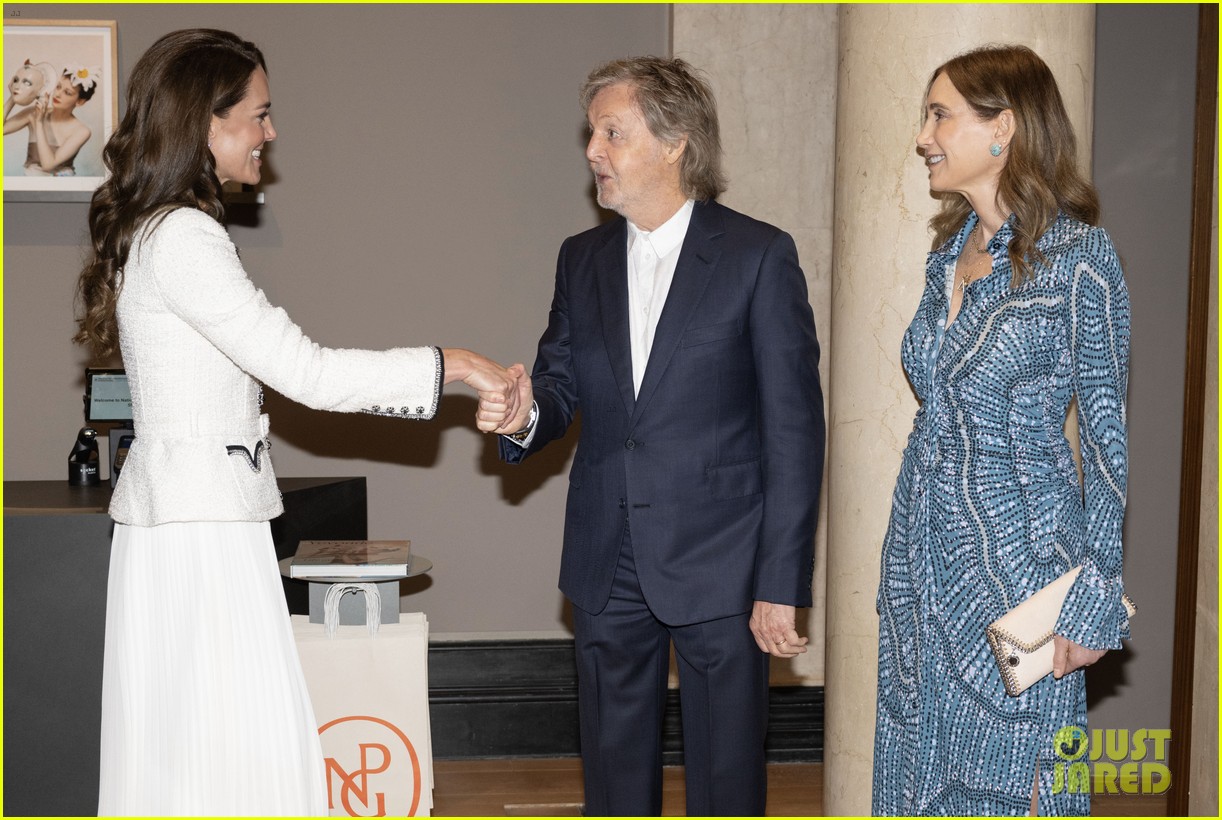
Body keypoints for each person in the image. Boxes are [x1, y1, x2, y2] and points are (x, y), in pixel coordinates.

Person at [73, 29, 521, 816]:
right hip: (201, 535)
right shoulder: (184, 237)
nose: (271, 133)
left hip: (190, 524)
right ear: (206, 125)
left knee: (193, 758)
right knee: (226, 761)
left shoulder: (161, 232)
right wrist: (453, 364)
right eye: (259, 114)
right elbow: (305, 371)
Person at [495, 57, 825, 816]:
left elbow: (795, 433)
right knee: (611, 775)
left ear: (674, 141)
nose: (592, 150)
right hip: (605, 556)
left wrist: (780, 584)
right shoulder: (580, 260)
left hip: (723, 563)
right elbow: (560, 388)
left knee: (726, 779)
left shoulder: (756, 256)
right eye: (591, 132)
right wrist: (522, 415)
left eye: (612, 131)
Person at [872, 45, 1131, 816]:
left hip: (1018, 577)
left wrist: (1094, 600)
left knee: (1019, 785)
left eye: (941, 114)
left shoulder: (1081, 260)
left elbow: (1110, 446)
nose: (924, 135)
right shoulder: (947, 255)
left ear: (1004, 128)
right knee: (916, 776)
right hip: (919, 566)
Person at [7, 65, 97, 175]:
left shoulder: (82, 131)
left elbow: (47, 165)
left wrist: (39, 122)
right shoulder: (33, 113)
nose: (58, 94)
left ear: (80, 102)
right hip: (31, 184)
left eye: (67, 92)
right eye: (58, 87)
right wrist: (14, 95)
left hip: (62, 188)